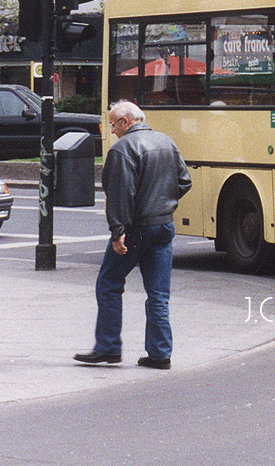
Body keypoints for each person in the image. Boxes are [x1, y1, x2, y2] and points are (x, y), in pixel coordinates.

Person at [74, 100, 191, 370]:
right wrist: (164, 202)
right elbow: (184, 181)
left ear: (126, 122)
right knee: (159, 294)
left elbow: (120, 195)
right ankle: (160, 353)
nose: (111, 130)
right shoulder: (165, 141)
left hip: (137, 228)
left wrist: (118, 231)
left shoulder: (122, 150)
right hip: (163, 226)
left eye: (113, 124)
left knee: (109, 283)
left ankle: (108, 347)